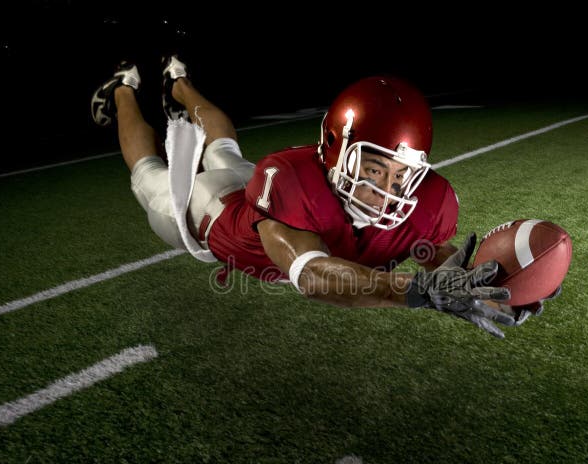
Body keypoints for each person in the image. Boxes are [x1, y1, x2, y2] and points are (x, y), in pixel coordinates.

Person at [91, 55, 546, 338]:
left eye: (402, 174)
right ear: (335, 152)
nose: (388, 192)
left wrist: (499, 286)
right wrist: (420, 291)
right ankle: (124, 90)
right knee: (151, 174)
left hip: (249, 191)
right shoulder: (290, 180)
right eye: (373, 168)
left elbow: (444, 262)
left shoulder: (430, 203)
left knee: (224, 150)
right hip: (208, 215)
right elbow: (311, 275)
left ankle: (178, 82)